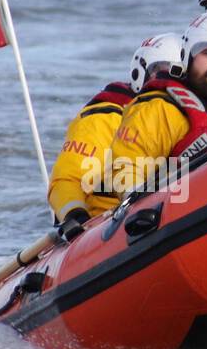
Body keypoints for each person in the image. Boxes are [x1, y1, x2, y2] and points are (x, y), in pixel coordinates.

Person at [108, 0, 207, 198]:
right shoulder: (159, 110)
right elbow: (126, 167)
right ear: (189, 57)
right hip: (177, 211)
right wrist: (139, 204)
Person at [48, 33, 180, 237]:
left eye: (178, 74)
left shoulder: (187, 116)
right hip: (108, 226)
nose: (168, 82)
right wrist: (76, 217)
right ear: (140, 73)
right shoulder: (104, 119)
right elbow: (67, 179)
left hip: (171, 210)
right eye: (161, 72)